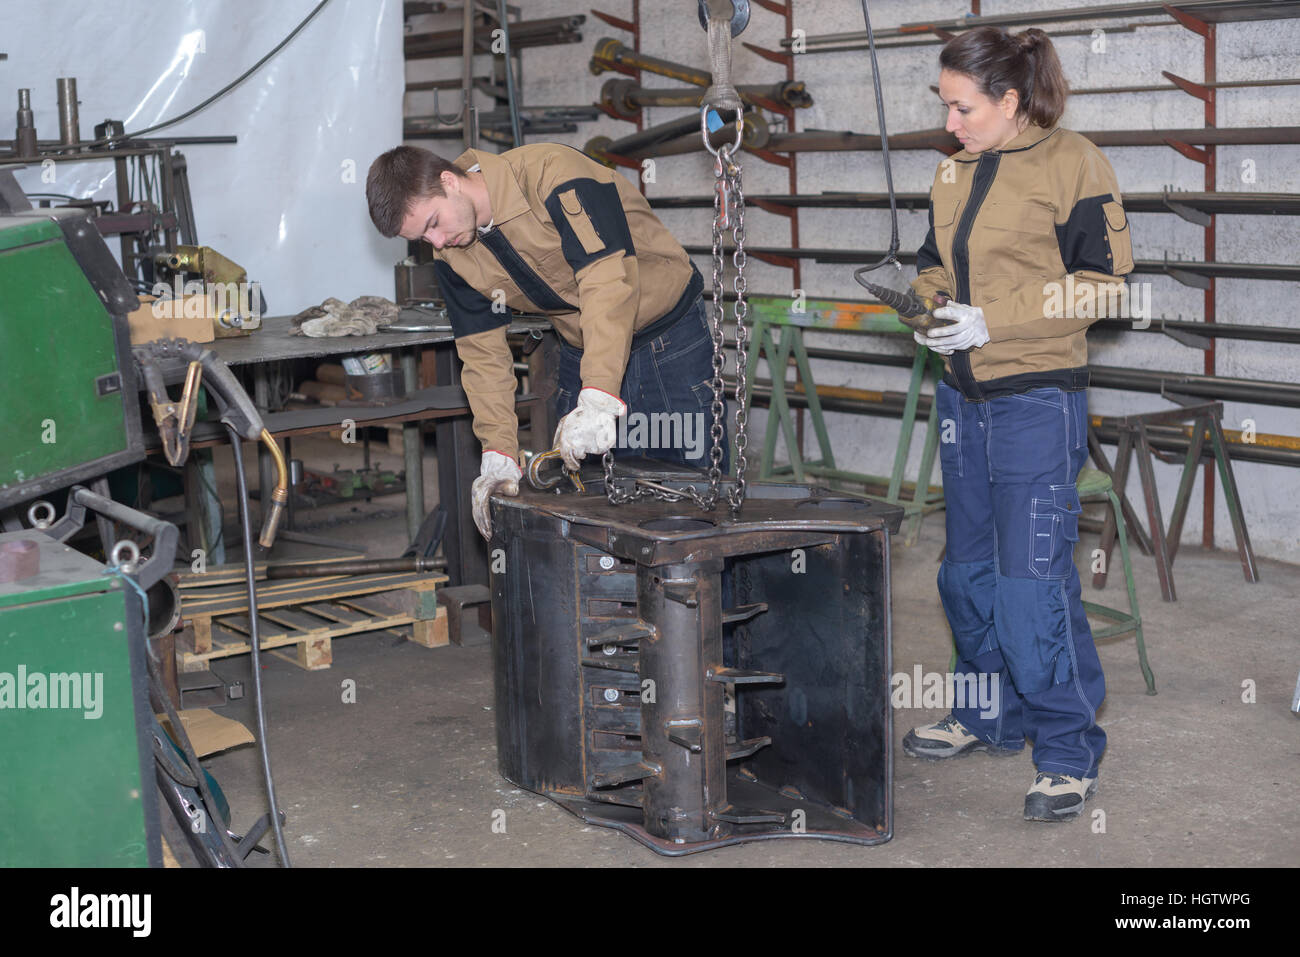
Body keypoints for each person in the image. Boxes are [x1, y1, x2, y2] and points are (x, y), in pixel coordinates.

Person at [902, 26, 1134, 822]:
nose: (950, 123)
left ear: (1010, 100)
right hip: (963, 398)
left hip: (1037, 400)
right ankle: (983, 711)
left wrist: (990, 321)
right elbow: (935, 264)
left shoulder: (1075, 162)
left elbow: (1106, 288)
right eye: (944, 107)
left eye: (963, 108)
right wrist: (931, 309)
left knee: (1031, 586)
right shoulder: (952, 170)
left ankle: (1067, 751)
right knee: (966, 575)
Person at [365, 143, 723, 538]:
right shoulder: (452, 256)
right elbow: (481, 352)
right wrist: (498, 450)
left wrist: (599, 394)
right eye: (422, 238)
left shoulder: (555, 175)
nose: (437, 242)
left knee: (693, 502)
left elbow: (606, 282)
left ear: (449, 181)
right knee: (592, 512)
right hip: (584, 348)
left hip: (667, 340)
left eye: (433, 223)